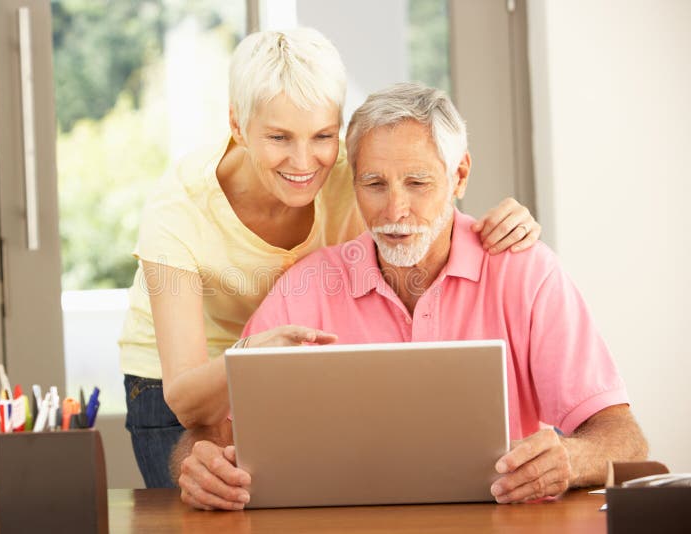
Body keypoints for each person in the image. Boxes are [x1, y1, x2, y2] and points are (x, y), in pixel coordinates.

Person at [171, 82, 649, 510]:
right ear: (353, 182)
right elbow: (213, 430)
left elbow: (623, 435)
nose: (395, 209)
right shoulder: (306, 286)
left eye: (418, 183)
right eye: (374, 184)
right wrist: (196, 463)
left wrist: (572, 457)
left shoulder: (526, 272)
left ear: (459, 176)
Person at [119, 28, 542, 489]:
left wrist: (501, 222)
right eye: (279, 137)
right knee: (207, 506)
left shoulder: (352, 174)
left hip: (286, 364)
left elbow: (423, 213)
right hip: (183, 382)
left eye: (322, 135)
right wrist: (248, 354)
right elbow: (184, 400)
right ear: (238, 125)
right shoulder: (178, 211)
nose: (304, 162)